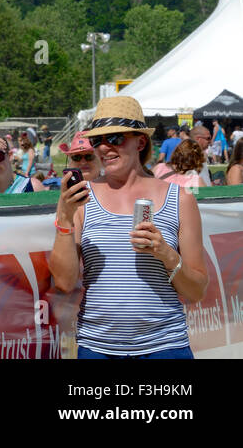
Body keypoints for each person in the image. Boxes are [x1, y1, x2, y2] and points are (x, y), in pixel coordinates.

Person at [48, 96, 207, 358]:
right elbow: (64, 282)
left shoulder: (180, 199)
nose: (104, 148)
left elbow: (197, 291)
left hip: (165, 347)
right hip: (98, 348)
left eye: (116, 138)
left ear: (140, 142)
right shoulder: (80, 199)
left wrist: (165, 254)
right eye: (98, 140)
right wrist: (64, 219)